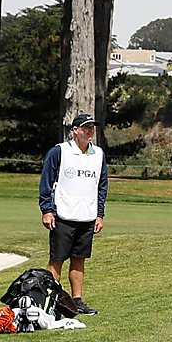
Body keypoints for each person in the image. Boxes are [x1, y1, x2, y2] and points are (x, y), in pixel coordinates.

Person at [38, 112, 108, 315]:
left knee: (79, 260)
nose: (90, 131)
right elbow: (47, 182)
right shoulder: (59, 152)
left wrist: (99, 214)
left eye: (92, 127)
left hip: (87, 217)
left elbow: (101, 186)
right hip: (63, 216)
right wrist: (47, 210)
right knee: (57, 260)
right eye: (85, 127)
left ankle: (76, 301)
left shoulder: (99, 154)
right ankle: (51, 302)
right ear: (74, 131)